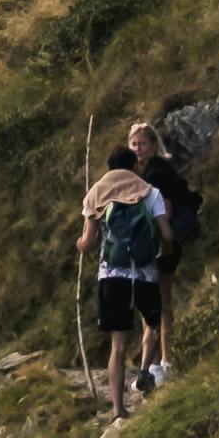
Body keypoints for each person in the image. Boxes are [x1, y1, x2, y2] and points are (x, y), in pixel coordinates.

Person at [78, 148, 169, 422]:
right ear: (133, 167)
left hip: (111, 276)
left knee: (117, 345)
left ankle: (118, 410)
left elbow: (88, 242)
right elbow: (166, 233)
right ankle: (144, 370)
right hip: (144, 274)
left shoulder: (96, 193)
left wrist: (80, 244)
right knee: (153, 325)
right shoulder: (151, 193)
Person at [127, 118, 200, 385]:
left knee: (157, 306)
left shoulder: (156, 174)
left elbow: (164, 211)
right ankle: (158, 363)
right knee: (157, 305)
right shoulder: (151, 171)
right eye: (133, 144)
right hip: (163, 246)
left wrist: (160, 243)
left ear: (154, 144)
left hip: (162, 246)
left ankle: (160, 365)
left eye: (142, 143)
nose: (137, 148)